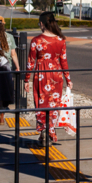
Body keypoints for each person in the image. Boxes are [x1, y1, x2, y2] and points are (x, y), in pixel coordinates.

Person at [27, 11, 71, 145]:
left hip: (41, 74)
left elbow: (30, 62)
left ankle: (44, 132)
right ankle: (51, 131)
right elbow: (64, 61)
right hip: (56, 75)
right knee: (54, 103)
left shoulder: (36, 41)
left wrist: (26, 79)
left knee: (41, 103)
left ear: (41, 24)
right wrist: (68, 79)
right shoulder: (61, 40)